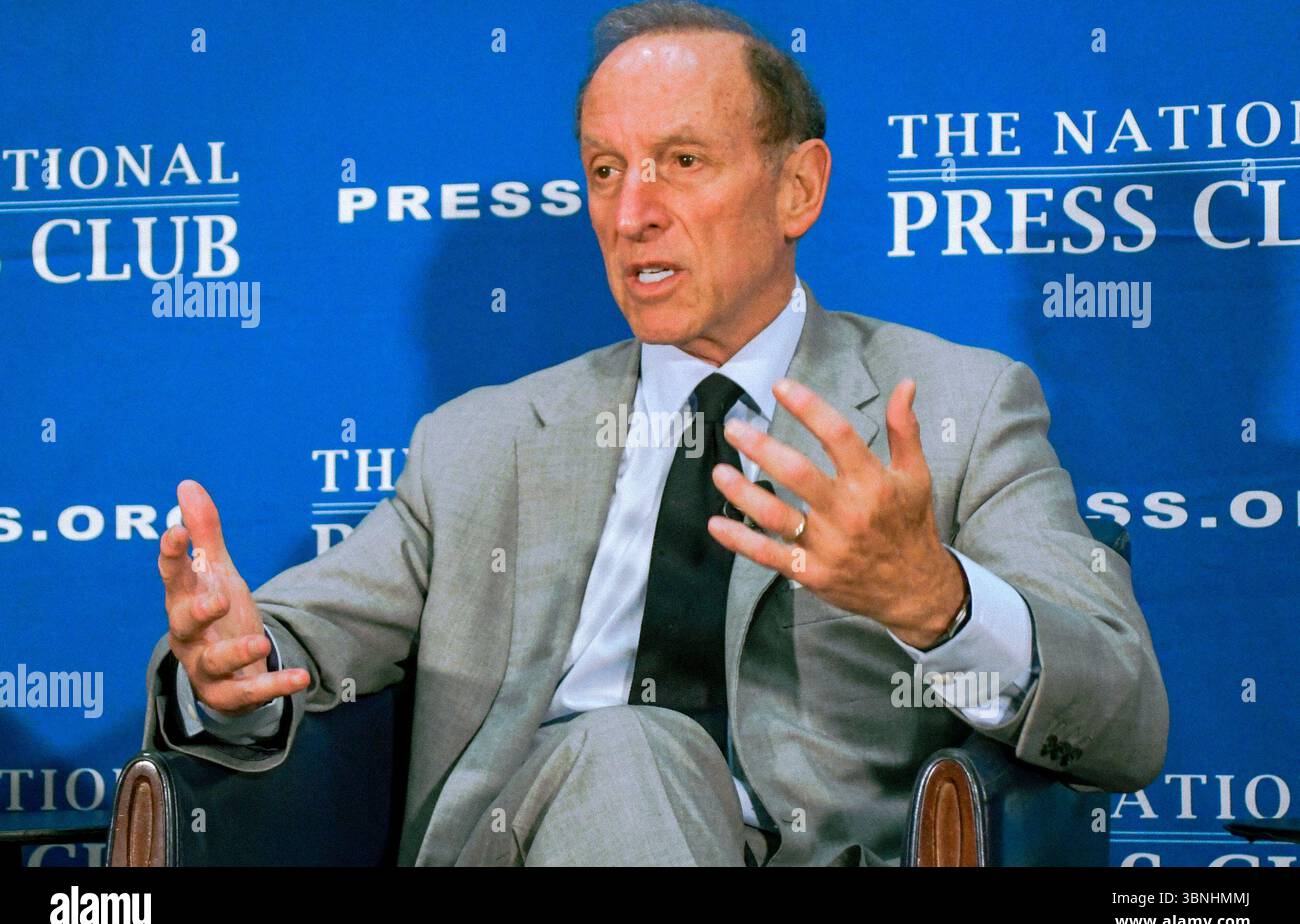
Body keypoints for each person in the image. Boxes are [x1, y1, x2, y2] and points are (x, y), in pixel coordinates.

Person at [143, 0, 1168, 866]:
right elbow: (287, 649)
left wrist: (935, 601)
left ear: (797, 187)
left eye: (681, 161)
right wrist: (231, 668)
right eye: (603, 169)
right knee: (633, 747)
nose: (631, 211)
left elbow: (1123, 716)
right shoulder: (482, 443)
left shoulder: (957, 406)